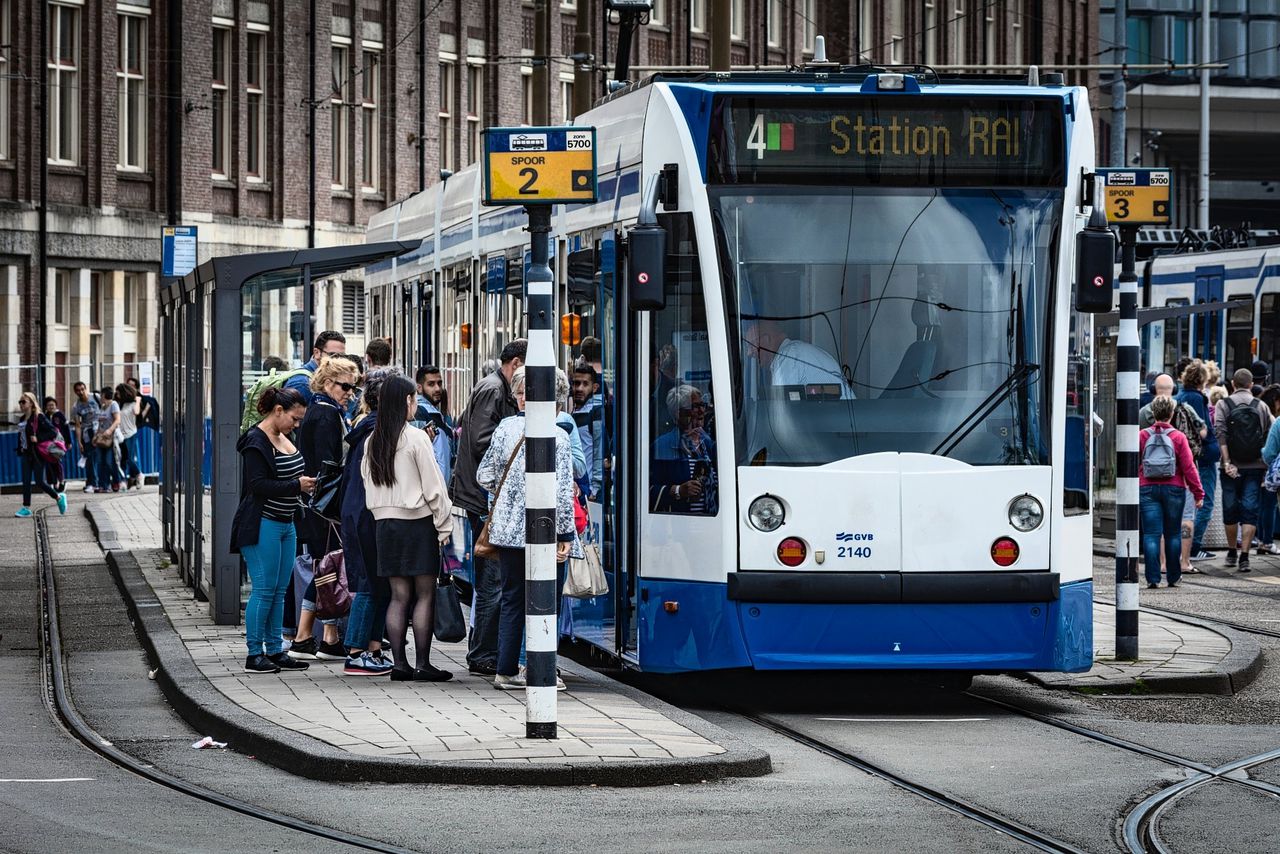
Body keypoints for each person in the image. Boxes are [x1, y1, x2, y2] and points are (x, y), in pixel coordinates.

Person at [475, 367, 577, 690]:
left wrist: (508, 498)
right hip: (542, 533)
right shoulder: (558, 438)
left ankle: (505, 669)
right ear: (556, 399)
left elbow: (484, 476)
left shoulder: (505, 429)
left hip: (506, 532)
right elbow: (562, 494)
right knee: (545, 602)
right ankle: (541, 669)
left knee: (513, 599)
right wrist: (564, 536)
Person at [361, 374, 454, 681]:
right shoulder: (416, 438)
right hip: (417, 525)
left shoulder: (372, 440)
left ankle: (399, 664)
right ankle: (423, 663)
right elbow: (435, 487)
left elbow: (367, 483)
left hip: (385, 526)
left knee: (398, 596)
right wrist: (444, 525)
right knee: (424, 594)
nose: (416, 403)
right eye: (414, 398)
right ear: (406, 401)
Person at [451, 338, 526, 676]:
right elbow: (483, 442)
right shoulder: (495, 389)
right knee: (493, 581)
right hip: (485, 499)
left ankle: (486, 651)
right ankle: (483, 654)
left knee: (494, 580)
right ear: (516, 363)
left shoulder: (494, 387)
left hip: (484, 497)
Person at [230, 386, 316, 674]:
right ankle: (254, 654)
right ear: (278, 411)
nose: (297, 424)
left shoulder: (284, 436)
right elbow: (257, 485)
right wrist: (296, 486)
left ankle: (275, 649)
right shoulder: (256, 440)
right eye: (294, 418)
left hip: (285, 522)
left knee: (279, 590)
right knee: (264, 589)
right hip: (261, 524)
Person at [290, 355, 360, 662]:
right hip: (325, 508)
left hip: (319, 506)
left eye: (353, 387)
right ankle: (305, 634)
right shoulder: (326, 415)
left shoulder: (322, 410)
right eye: (345, 386)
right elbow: (327, 466)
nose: (349, 393)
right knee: (326, 568)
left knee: (328, 567)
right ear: (329, 383)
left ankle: (327, 636)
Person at [339, 368, 396, 676]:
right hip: (367, 515)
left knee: (377, 583)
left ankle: (373, 648)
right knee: (369, 585)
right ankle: (356, 651)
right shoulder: (377, 431)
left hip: (360, 512)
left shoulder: (369, 426)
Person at [1141, 373, 1206, 574]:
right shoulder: (1179, 434)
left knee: (1152, 533)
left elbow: (1133, 462)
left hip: (1147, 486)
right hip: (1176, 485)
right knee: (1175, 532)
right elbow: (1189, 466)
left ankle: (1154, 574)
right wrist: (1198, 493)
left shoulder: (1142, 431)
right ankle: (1177, 570)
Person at [1214, 368, 1275, 572]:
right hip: (1255, 466)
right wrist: (1265, 463)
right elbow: (1271, 434)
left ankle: (1232, 551)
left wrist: (1227, 462)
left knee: (1230, 509)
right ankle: (1245, 557)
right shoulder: (1262, 406)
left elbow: (1220, 435)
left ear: (1233, 384)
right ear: (1250, 385)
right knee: (1250, 509)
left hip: (1231, 467)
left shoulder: (1223, 404)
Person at [650, 384, 718, 515]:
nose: (701, 411)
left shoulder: (710, 444)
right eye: (695, 407)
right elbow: (645, 491)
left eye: (702, 405)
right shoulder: (662, 446)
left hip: (714, 523)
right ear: (678, 413)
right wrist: (678, 491)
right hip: (681, 525)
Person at [1177, 361, 1221, 561]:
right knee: (1204, 501)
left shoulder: (1180, 396)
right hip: (1202, 457)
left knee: (1187, 502)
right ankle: (1194, 547)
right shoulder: (1197, 398)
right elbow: (1203, 430)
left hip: (1187, 456)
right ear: (1202, 380)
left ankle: (1184, 547)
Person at [743, 319, 855, 398]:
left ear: (766, 339)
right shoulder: (796, 352)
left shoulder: (787, 357)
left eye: (751, 345)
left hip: (839, 427)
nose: (748, 353)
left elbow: (783, 409)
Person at [14, 392, 67, 518]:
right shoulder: (22, 419)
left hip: (38, 455)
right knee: (26, 481)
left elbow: (53, 432)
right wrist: (20, 449)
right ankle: (26, 508)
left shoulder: (39, 417)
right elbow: (22, 436)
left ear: (31, 403)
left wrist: (38, 438)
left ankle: (59, 497)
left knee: (40, 482)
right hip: (26, 454)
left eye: (23, 402)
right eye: (20, 402)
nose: (21, 404)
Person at [414, 365, 455, 483]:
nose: (437, 388)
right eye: (431, 384)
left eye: (439, 383)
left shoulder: (437, 414)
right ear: (420, 388)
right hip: (432, 493)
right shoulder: (419, 414)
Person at [285, 330, 346, 403]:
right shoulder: (303, 384)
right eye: (333, 355)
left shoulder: (326, 379)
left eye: (342, 356)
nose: (338, 360)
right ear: (317, 353)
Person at [571, 363, 602, 498]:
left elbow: (598, 452)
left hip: (589, 490)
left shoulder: (596, 413)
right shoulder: (572, 413)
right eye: (576, 383)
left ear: (594, 388)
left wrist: (595, 488)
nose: (579, 388)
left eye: (585, 384)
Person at [1255, 384, 1280, 555]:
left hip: (1273, 475)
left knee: (1268, 505)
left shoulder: (1278, 423)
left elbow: (1269, 453)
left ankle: (1265, 540)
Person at [92, 387, 123, 493]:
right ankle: (103, 485)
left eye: (101, 395)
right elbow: (100, 424)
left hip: (111, 438)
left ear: (104, 395)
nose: (100, 397)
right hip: (101, 438)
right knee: (100, 462)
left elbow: (117, 420)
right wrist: (95, 437)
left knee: (109, 462)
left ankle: (116, 481)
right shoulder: (103, 407)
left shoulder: (113, 405)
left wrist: (110, 430)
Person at [71, 382, 100, 492]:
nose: (81, 392)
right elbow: (78, 425)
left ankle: (105, 482)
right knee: (90, 458)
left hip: (101, 430)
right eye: (78, 390)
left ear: (86, 388)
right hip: (88, 433)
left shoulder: (96, 397)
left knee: (102, 458)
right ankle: (93, 483)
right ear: (75, 392)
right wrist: (79, 442)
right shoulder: (76, 406)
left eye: (83, 389)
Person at [114, 383, 143, 491]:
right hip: (120, 435)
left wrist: (138, 400)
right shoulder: (118, 404)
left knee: (129, 458)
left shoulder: (133, 403)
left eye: (118, 392)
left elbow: (136, 412)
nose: (117, 394)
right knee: (121, 459)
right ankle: (123, 481)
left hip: (130, 433)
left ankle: (139, 474)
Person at [43, 396, 72, 493]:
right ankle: (54, 483)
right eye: (49, 405)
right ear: (45, 407)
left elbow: (66, 429)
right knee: (49, 463)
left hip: (59, 443)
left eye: (53, 405)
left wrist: (69, 442)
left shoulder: (60, 415)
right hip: (48, 444)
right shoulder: (44, 416)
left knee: (57, 462)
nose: (51, 407)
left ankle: (61, 481)